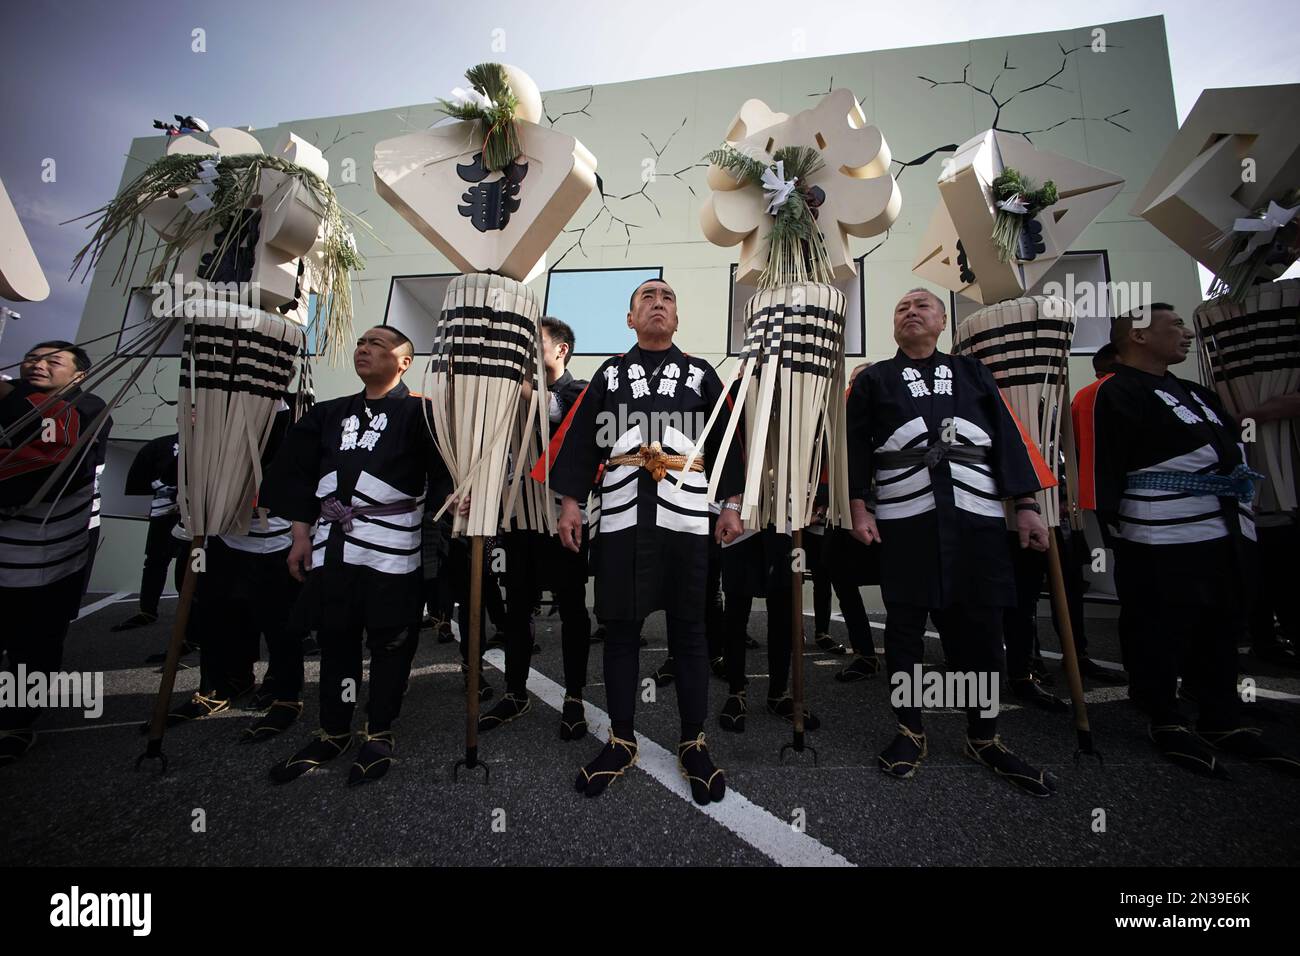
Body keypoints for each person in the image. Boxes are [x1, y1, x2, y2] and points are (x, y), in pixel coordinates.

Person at [847, 289, 1057, 796]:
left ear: (942, 321)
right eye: (901, 307)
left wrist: (1026, 506)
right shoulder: (874, 379)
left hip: (976, 520)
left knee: (982, 631)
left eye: (922, 306)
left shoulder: (973, 373)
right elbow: (853, 447)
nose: (911, 312)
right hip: (907, 519)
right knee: (904, 629)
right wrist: (857, 505)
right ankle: (910, 729)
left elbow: (1006, 437)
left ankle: (983, 735)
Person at [1074, 304, 1299, 776]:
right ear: (1136, 335)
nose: (1184, 332)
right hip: (1159, 529)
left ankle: (1222, 717)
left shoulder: (1196, 392)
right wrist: (1117, 530)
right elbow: (1100, 470)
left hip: (1225, 524)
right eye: (1173, 324)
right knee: (1161, 623)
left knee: (1223, 622)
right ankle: (1165, 716)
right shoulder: (1108, 393)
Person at [545, 277, 744, 804]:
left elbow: (726, 445)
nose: (658, 304)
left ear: (677, 319)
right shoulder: (610, 374)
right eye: (646, 299)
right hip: (621, 516)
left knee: (690, 629)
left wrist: (732, 504)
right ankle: (622, 737)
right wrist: (569, 503)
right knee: (621, 629)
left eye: (668, 298)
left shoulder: (702, 375)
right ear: (630, 319)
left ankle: (693, 741)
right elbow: (584, 440)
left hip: (686, 517)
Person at [258, 326, 452, 786]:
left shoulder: (421, 413)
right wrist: (300, 534)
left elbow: (446, 476)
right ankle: (333, 729)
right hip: (333, 544)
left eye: (379, 345)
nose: (365, 349)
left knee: (390, 643)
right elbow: (297, 476)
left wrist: (450, 514)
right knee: (337, 638)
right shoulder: (327, 414)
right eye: (362, 343)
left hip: (394, 546)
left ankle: (379, 730)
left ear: (405, 362)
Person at [480, 316, 593, 737]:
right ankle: (514, 691)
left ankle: (575, 695)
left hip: (561, 519)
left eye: (534, 342)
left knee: (572, 608)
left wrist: (517, 389)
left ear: (561, 350)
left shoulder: (580, 394)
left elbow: (560, 424)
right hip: (517, 520)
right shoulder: (505, 398)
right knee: (517, 605)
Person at [0, 341, 111, 766]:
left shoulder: (87, 408)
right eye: (32, 357)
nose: (38, 365)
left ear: (79, 375)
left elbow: (46, 460)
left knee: (34, 647)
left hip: (47, 560)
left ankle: (15, 723)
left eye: (53, 361)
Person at [114, 433, 190, 653]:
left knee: (190, 567)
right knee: (156, 560)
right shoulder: (161, 445)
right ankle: (148, 609)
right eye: (189, 410)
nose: (193, 415)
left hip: (194, 514)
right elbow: (145, 477)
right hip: (164, 511)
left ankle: (190, 626)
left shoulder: (212, 440)